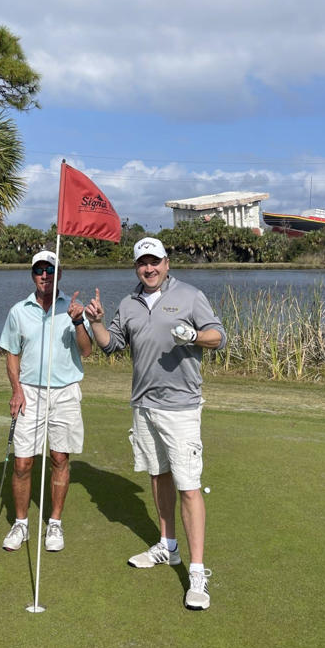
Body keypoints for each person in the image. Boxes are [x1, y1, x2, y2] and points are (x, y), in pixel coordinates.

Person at [84, 237, 225, 610]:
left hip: (180, 407)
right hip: (144, 405)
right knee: (159, 476)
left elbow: (218, 336)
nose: (149, 269)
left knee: (189, 486)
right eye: (142, 263)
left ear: (166, 262)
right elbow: (111, 344)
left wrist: (194, 335)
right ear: (136, 267)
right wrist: (95, 322)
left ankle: (197, 573)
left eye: (155, 262)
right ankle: (168, 546)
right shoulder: (129, 303)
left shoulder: (191, 296)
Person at [0, 250, 91, 553]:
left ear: (59, 274)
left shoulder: (74, 308)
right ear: (32, 275)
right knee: (23, 462)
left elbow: (87, 351)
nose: (44, 275)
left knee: (60, 458)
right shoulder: (18, 310)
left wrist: (78, 322)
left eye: (50, 270)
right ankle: (21, 523)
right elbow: (12, 353)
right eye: (39, 270)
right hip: (30, 391)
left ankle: (55, 523)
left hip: (65, 391)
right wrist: (16, 389)